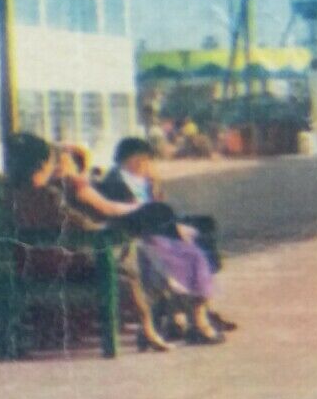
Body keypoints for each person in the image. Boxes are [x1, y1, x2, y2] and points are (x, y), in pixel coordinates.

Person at [98, 137, 235, 334]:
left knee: (204, 226)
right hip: (142, 233)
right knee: (192, 246)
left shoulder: (139, 179)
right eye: (146, 161)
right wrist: (173, 227)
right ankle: (194, 312)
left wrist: (155, 186)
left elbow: (154, 207)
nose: (148, 166)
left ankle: (195, 308)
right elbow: (137, 217)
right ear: (137, 159)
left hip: (153, 226)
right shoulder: (115, 182)